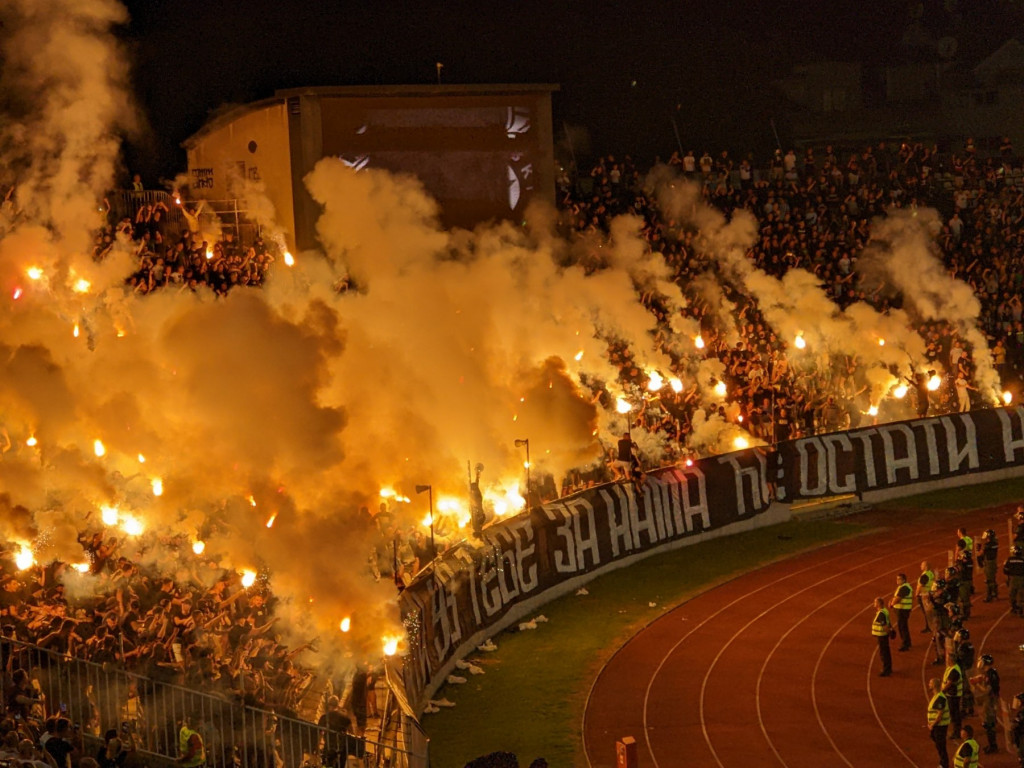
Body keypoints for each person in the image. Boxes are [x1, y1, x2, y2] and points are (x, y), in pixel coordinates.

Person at [970, 654, 1000, 754]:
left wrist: (977, 684)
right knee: (988, 722)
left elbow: (987, 690)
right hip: (991, 700)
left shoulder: (990, 675)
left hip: (990, 701)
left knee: (989, 724)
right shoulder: (991, 672)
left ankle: (993, 746)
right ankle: (992, 744)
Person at [317, 695, 353, 768]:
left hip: (329, 746)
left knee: (326, 765)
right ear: (337, 705)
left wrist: (317, 746)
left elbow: (319, 733)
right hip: (342, 748)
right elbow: (351, 733)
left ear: (328, 705)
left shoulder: (324, 717)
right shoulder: (345, 718)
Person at [928, 677, 951, 768]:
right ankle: (943, 762)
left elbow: (940, 715)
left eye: (930, 683)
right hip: (937, 726)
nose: (928, 685)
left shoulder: (940, 698)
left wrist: (932, 725)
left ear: (934, 686)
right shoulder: (937, 696)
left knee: (941, 745)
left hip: (940, 726)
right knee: (938, 742)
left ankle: (944, 764)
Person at [889, 573, 913, 651]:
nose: (897, 580)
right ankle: (908, 642)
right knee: (903, 626)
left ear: (904, 580)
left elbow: (898, 598)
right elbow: (896, 597)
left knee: (902, 627)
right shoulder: (902, 587)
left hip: (903, 610)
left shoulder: (905, 588)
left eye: (899, 579)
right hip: (902, 610)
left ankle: (905, 644)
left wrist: (892, 604)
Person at [943, 652, 965, 736]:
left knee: (954, 714)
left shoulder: (954, 670)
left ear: (950, 660)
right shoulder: (951, 668)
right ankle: (956, 730)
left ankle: (957, 731)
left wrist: (941, 691)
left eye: (947, 658)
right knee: (954, 713)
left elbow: (949, 683)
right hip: (951, 694)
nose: (946, 659)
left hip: (954, 695)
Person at [871, 596, 893, 677]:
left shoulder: (881, 614)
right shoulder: (884, 611)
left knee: (884, 653)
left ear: (879, 604)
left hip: (882, 636)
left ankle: (886, 669)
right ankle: (888, 668)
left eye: (875, 602)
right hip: (883, 635)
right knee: (886, 652)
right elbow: (888, 622)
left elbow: (884, 625)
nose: (874, 604)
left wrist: (889, 632)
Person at [979, 529, 999, 602]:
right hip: (993, 562)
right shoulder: (995, 543)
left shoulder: (987, 545)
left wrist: (979, 549)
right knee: (993, 578)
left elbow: (981, 553)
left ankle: (990, 596)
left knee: (989, 580)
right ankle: (995, 594)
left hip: (989, 563)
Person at [1005, 544, 1024, 615]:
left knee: (1012, 594)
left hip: (1013, 578)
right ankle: (1021, 609)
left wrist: (1007, 580)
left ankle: (1014, 608)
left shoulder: (1010, 559)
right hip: (1022, 579)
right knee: (1021, 595)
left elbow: (1006, 570)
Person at [918, 560, 935, 633]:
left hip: (924, 594)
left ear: (926, 567)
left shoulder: (925, 575)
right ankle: (930, 626)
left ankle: (929, 627)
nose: (920, 566)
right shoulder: (931, 573)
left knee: (927, 612)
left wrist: (916, 594)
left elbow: (921, 585)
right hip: (930, 593)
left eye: (922, 565)